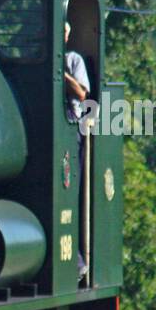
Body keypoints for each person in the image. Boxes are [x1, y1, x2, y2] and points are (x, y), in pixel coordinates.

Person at [63, 21, 91, 282]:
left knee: (71, 196)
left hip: (71, 132)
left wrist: (61, 73)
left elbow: (82, 94)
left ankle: (78, 259)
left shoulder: (73, 60)